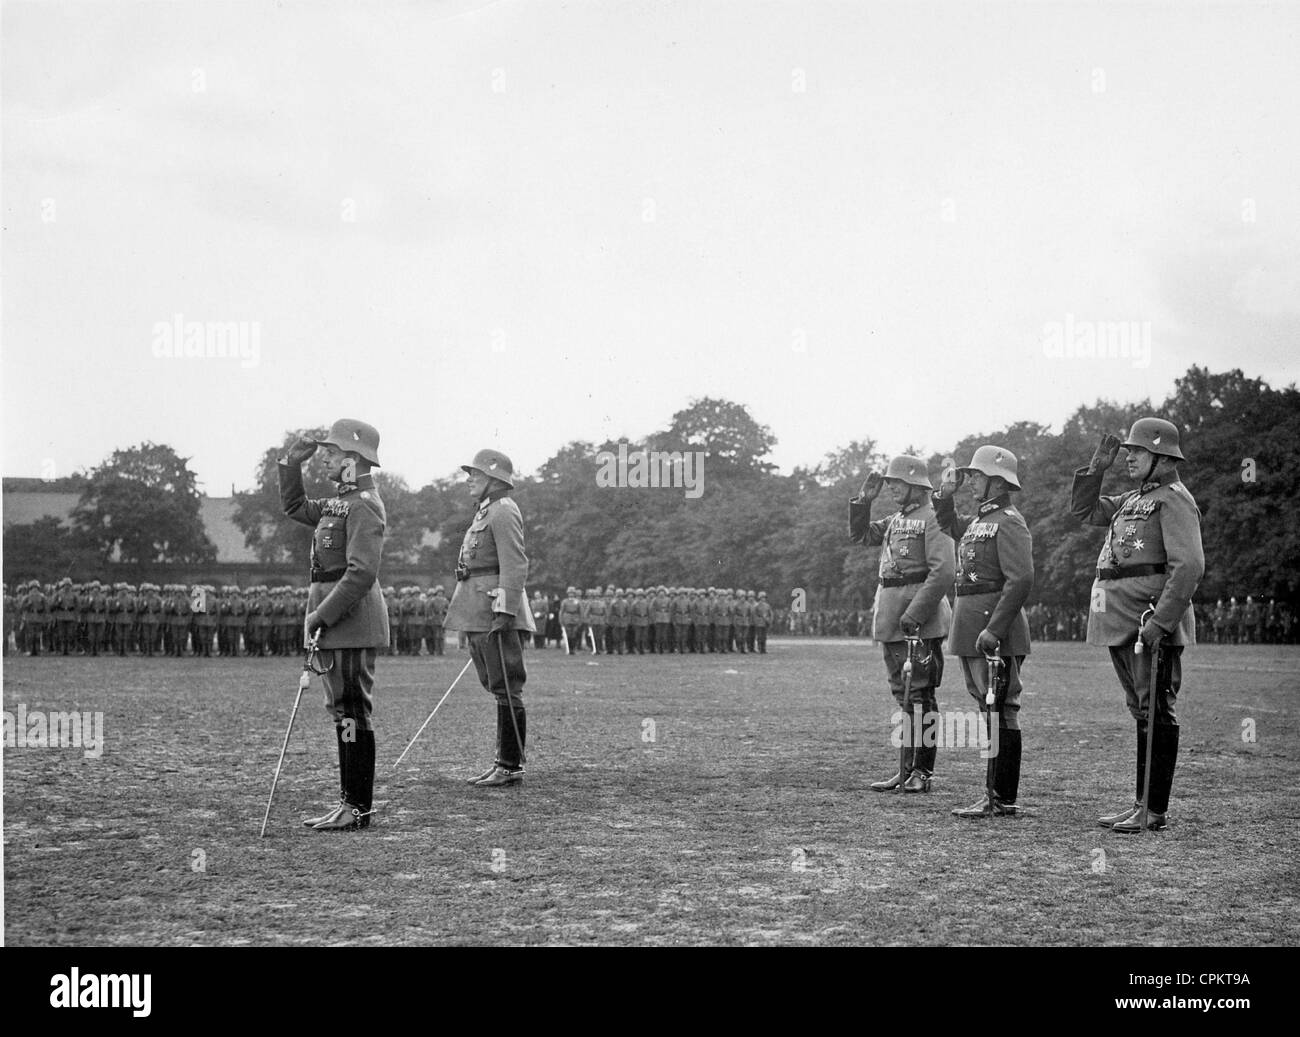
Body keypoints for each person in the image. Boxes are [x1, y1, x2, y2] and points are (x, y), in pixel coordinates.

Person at [1071, 419, 1204, 833]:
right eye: (1128, 451)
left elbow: (1189, 566)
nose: (1129, 456)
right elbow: (1085, 512)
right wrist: (1095, 470)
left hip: (1150, 620)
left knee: (1156, 709)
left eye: (1138, 451)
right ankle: (1140, 803)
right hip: (1121, 618)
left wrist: (1162, 622)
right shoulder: (1134, 498)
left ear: (1162, 457)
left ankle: (1154, 809)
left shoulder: (1173, 499)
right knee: (1141, 709)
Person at [281, 418, 388, 832]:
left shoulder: (364, 504)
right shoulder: (340, 502)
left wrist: (320, 614)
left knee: (352, 712)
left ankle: (357, 807)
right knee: (342, 711)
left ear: (353, 459)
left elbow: (361, 573)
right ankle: (349, 802)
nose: (323, 457)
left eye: (331, 451)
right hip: (336, 618)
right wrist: (291, 460)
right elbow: (294, 507)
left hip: (349, 619)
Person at [935, 446, 1034, 818]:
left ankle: (1001, 796)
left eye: (976, 475)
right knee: (985, 706)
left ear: (996, 480)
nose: (971, 480)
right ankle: (994, 794)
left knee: (1002, 709)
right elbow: (950, 524)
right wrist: (946, 493)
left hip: (996, 629)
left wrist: (995, 628)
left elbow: (1021, 579)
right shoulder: (980, 521)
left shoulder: (1009, 520)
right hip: (972, 624)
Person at [851, 455, 955, 793]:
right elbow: (863, 536)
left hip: (918, 619)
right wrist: (862, 503)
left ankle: (921, 773)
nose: (891, 488)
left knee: (921, 694)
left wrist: (915, 614)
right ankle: (906, 767)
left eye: (895, 482)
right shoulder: (897, 519)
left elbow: (943, 572)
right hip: (893, 615)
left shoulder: (935, 518)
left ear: (914, 484)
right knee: (904, 695)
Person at [444, 449, 536, 787]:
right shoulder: (486, 510)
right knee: (496, 685)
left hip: (494, 607)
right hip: (477, 606)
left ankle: (510, 765)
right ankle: (504, 761)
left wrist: (506, 609)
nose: (469, 479)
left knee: (507, 686)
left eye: (477, 475)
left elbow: (515, 562)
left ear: (494, 480)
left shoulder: (503, 509)